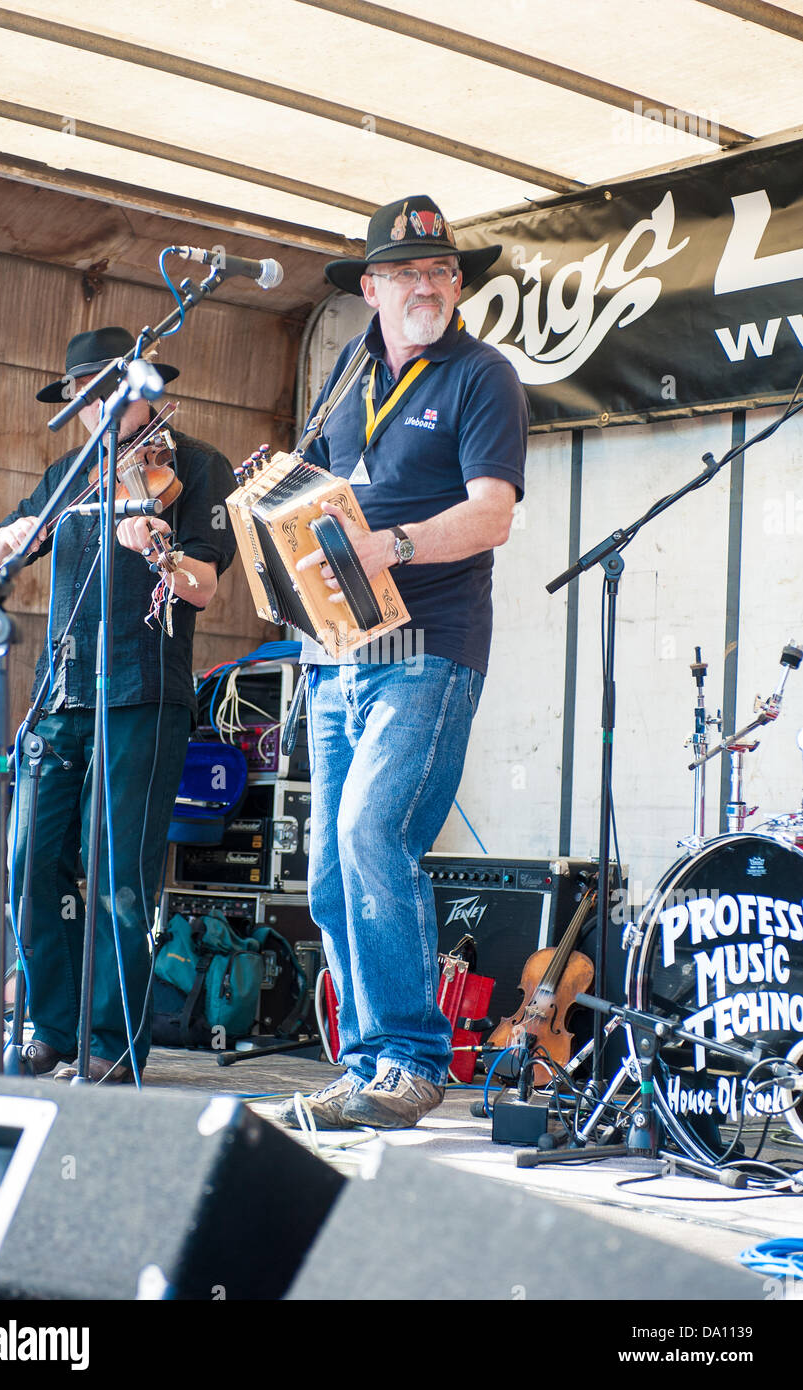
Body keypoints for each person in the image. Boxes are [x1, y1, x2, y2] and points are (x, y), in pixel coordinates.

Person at [273, 195, 529, 1131]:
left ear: (457, 284)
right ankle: (371, 1063)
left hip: (428, 650)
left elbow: (492, 513)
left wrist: (397, 546)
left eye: (442, 272)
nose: (427, 286)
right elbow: (317, 493)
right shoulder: (345, 372)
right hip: (338, 655)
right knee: (332, 877)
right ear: (371, 288)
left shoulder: (482, 375)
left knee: (371, 837)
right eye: (407, 273)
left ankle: (414, 1062)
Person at [0, 327, 235, 1082]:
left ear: (144, 392)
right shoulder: (68, 472)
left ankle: (112, 1040)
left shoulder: (195, 466)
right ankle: (53, 1026)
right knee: (32, 862)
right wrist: (12, 534)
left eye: (108, 394)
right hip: (60, 692)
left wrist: (153, 547)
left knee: (119, 867)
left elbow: (205, 585)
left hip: (142, 690)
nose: (95, 409)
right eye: (82, 398)